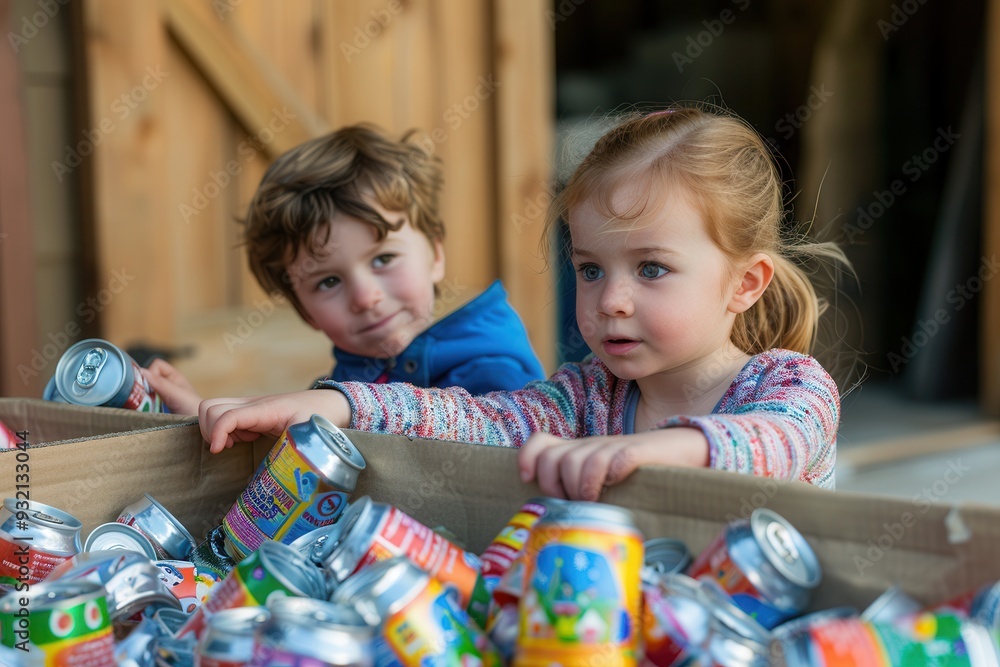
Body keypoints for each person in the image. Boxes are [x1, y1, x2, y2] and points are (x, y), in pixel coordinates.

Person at [199, 106, 851, 501]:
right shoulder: (584, 398)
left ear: (745, 283)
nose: (611, 301)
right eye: (590, 269)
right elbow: (470, 420)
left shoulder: (789, 385)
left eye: (652, 268)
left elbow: (775, 442)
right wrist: (335, 402)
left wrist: (650, 452)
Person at [145, 124, 545, 414]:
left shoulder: (495, 372)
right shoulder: (354, 373)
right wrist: (204, 411)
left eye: (383, 259)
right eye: (329, 281)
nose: (365, 296)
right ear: (305, 311)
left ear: (435, 255)